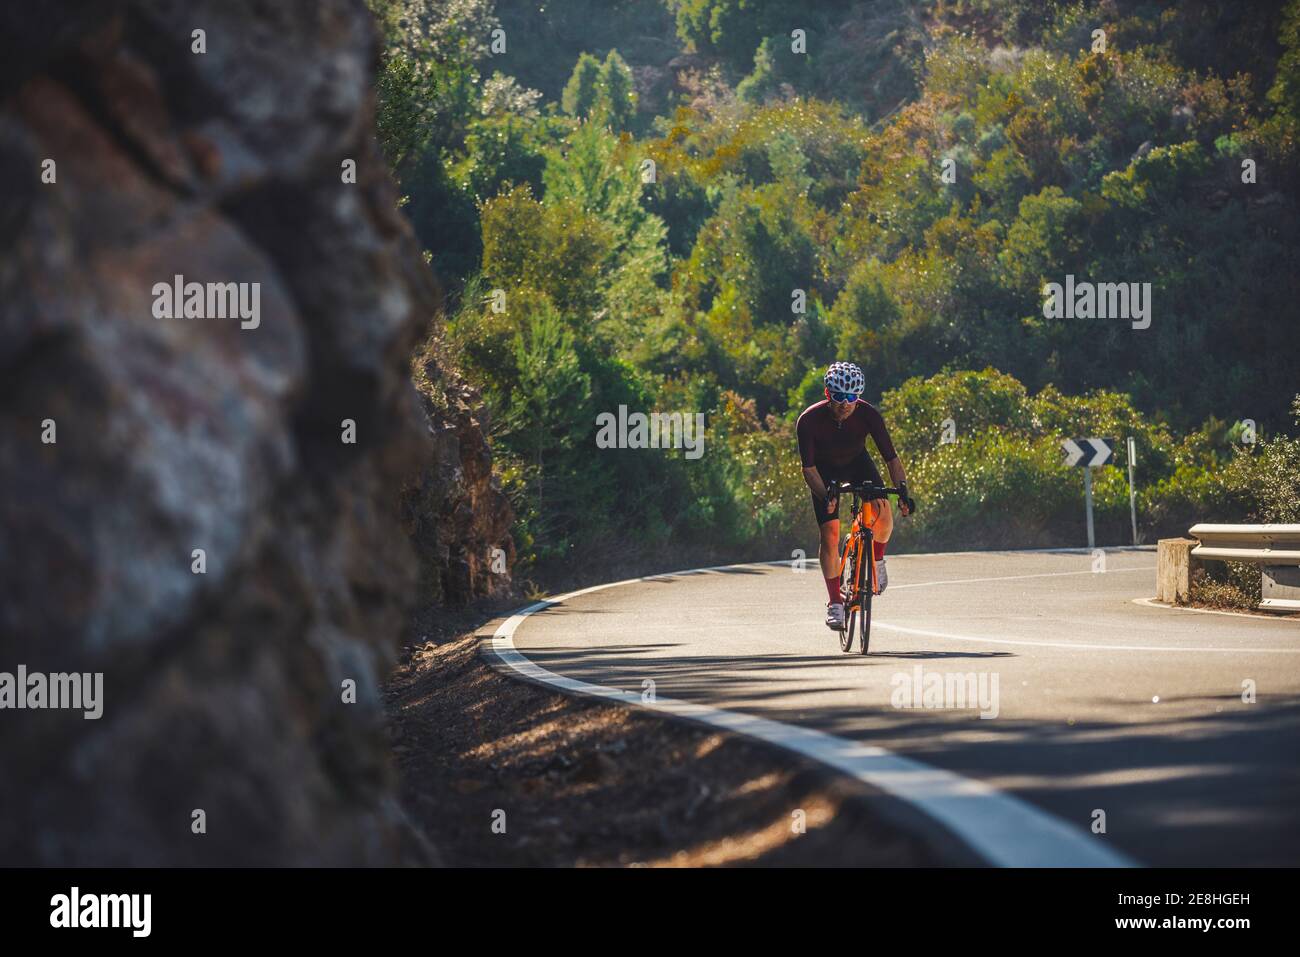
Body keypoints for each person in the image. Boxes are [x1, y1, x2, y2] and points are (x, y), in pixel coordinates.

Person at [796, 361, 911, 630]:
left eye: (851, 398)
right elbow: (808, 469)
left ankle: (878, 558)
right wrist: (826, 496)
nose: (845, 404)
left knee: (883, 513)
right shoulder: (808, 421)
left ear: (858, 397)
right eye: (839, 397)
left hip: (857, 463)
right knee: (830, 535)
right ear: (828, 394)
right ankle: (835, 602)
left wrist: (903, 491)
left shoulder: (868, 414)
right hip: (823, 474)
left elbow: (891, 459)